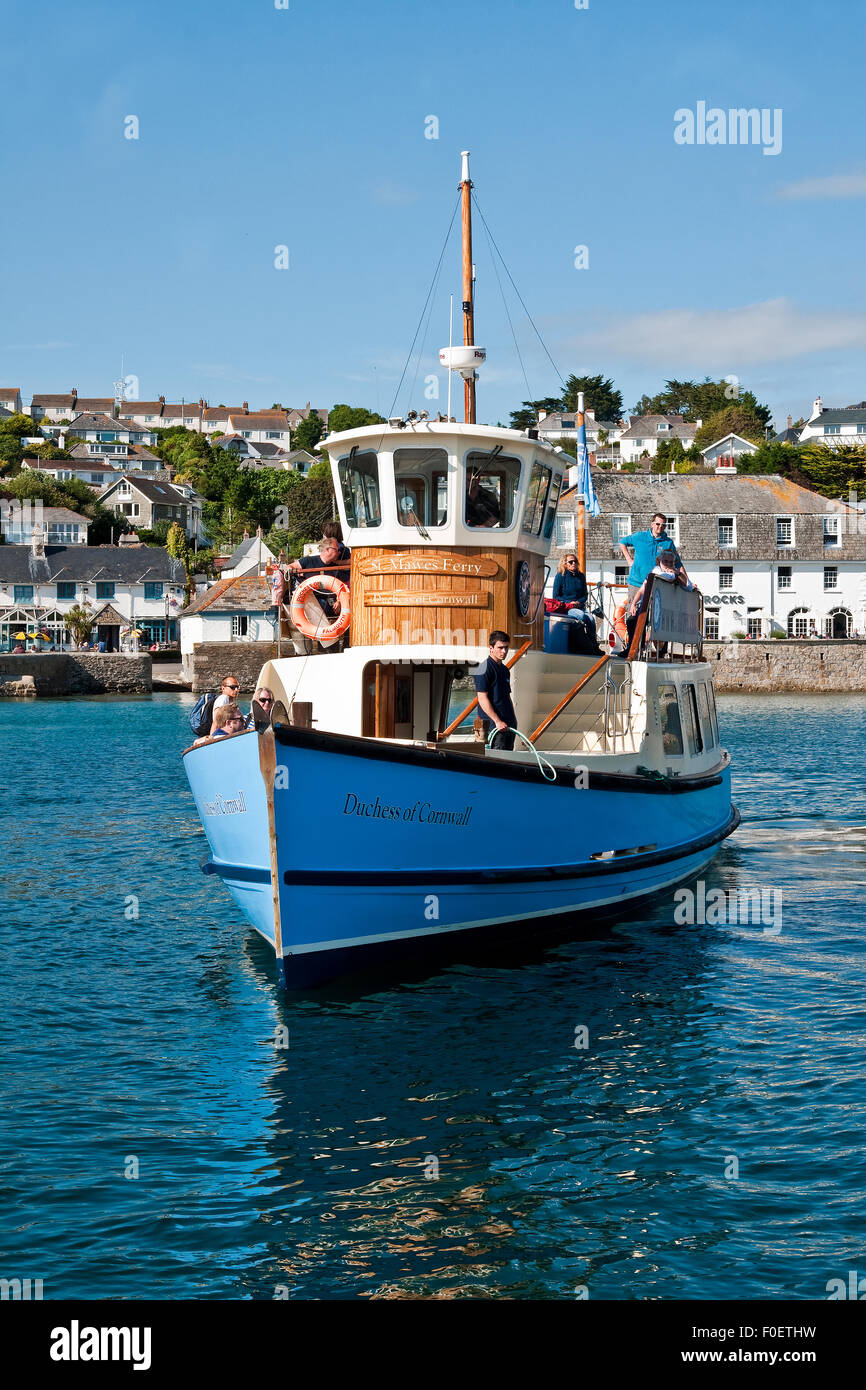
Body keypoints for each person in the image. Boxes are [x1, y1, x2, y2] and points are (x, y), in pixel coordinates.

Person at [289, 534, 351, 652]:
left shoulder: (335, 566)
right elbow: (290, 566)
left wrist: (339, 600)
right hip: (315, 603)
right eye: (337, 550)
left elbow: (344, 587)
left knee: (351, 615)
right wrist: (294, 571)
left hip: (332, 602)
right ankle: (328, 647)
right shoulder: (309, 561)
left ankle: (343, 647)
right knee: (319, 607)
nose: (339, 553)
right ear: (328, 549)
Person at [626, 549, 694, 651]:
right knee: (631, 621)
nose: (668, 564)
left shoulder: (675, 574)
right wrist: (634, 604)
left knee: (664, 624)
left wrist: (677, 574)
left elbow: (688, 587)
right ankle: (633, 648)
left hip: (667, 608)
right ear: (659, 561)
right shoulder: (655, 571)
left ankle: (661, 651)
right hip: (649, 605)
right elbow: (641, 590)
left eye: (671, 562)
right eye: (665, 561)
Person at [619, 512, 687, 611]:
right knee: (633, 617)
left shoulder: (668, 542)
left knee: (654, 618)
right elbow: (622, 542)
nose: (660, 527)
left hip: (657, 585)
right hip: (636, 583)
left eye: (663, 525)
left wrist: (688, 582)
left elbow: (678, 564)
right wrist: (629, 560)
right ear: (652, 524)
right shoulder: (639, 536)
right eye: (658, 524)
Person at [473, 630, 518, 751]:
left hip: (508, 724)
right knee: (496, 758)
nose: (504, 651)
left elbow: (506, 697)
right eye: (500, 647)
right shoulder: (483, 669)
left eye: (506, 647)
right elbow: (482, 698)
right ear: (491, 648)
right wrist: (497, 721)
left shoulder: (504, 670)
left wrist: (512, 720)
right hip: (493, 725)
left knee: (508, 759)